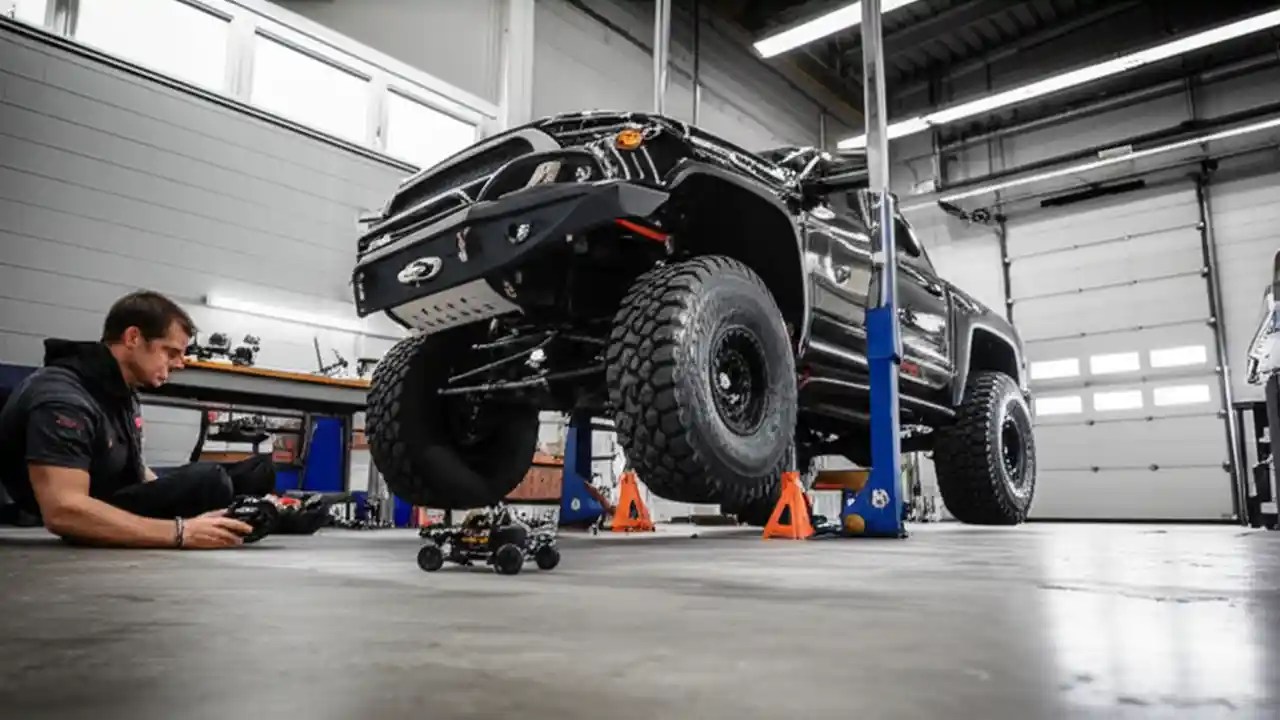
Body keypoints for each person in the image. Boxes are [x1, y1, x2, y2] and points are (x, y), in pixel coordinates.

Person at [0, 290, 266, 548]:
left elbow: (138, 472)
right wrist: (180, 531)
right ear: (133, 338)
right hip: (89, 510)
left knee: (257, 473)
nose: (179, 364)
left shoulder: (121, 393)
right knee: (210, 480)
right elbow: (64, 510)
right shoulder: (63, 397)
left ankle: (256, 515)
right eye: (170, 352)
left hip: (115, 495)